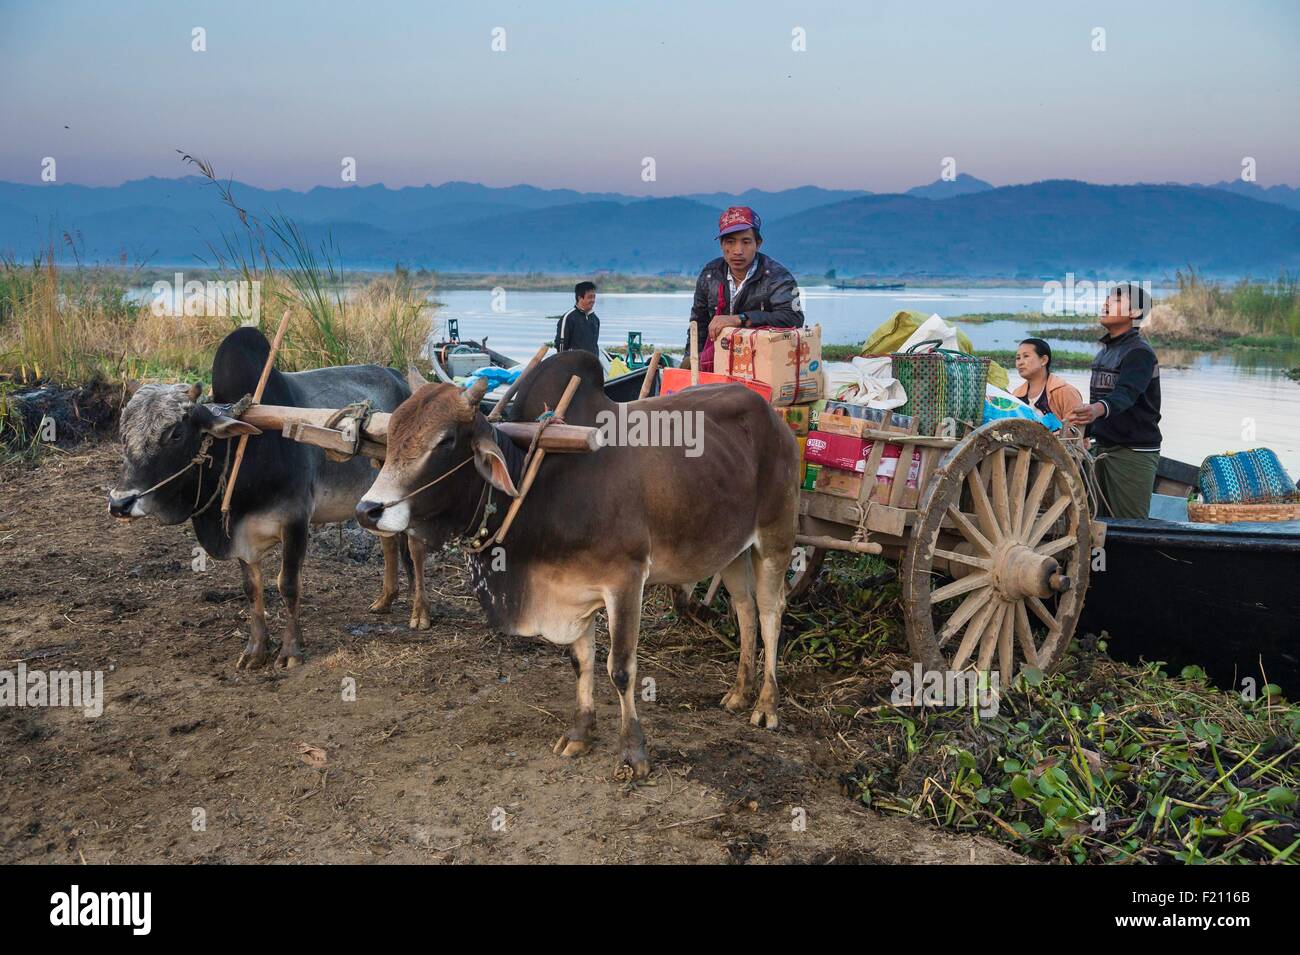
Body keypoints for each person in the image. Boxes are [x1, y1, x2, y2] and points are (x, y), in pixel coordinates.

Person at [1067, 284, 1162, 519]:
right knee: (1094, 521)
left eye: (1117, 300)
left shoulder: (1140, 353)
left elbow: (1125, 395)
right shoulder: (1104, 353)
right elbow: (1099, 400)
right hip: (1104, 447)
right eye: (1107, 299)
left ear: (1135, 313)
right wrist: (1083, 426)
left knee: (1130, 525)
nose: (1106, 303)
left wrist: (1096, 410)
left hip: (1133, 451)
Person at [685, 206, 803, 368]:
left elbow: (794, 319)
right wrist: (690, 360)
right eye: (730, 242)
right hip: (719, 355)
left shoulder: (778, 276)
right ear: (721, 244)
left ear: (758, 244)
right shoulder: (709, 274)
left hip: (762, 361)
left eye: (746, 242)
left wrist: (741, 319)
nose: (738, 251)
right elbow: (698, 324)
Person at [1012, 338, 1082, 434]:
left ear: (1044, 360)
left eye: (1026, 356)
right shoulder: (1016, 395)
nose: (1020, 362)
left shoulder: (1065, 391)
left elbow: (1077, 432)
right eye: (1018, 358)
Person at [555, 281, 600, 356]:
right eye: (589, 297)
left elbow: (594, 345)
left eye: (594, 297)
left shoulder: (595, 319)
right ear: (579, 298)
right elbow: (560, 346)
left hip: (591, 364)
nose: (593, 300)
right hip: (573, 365)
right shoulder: (568, 318)